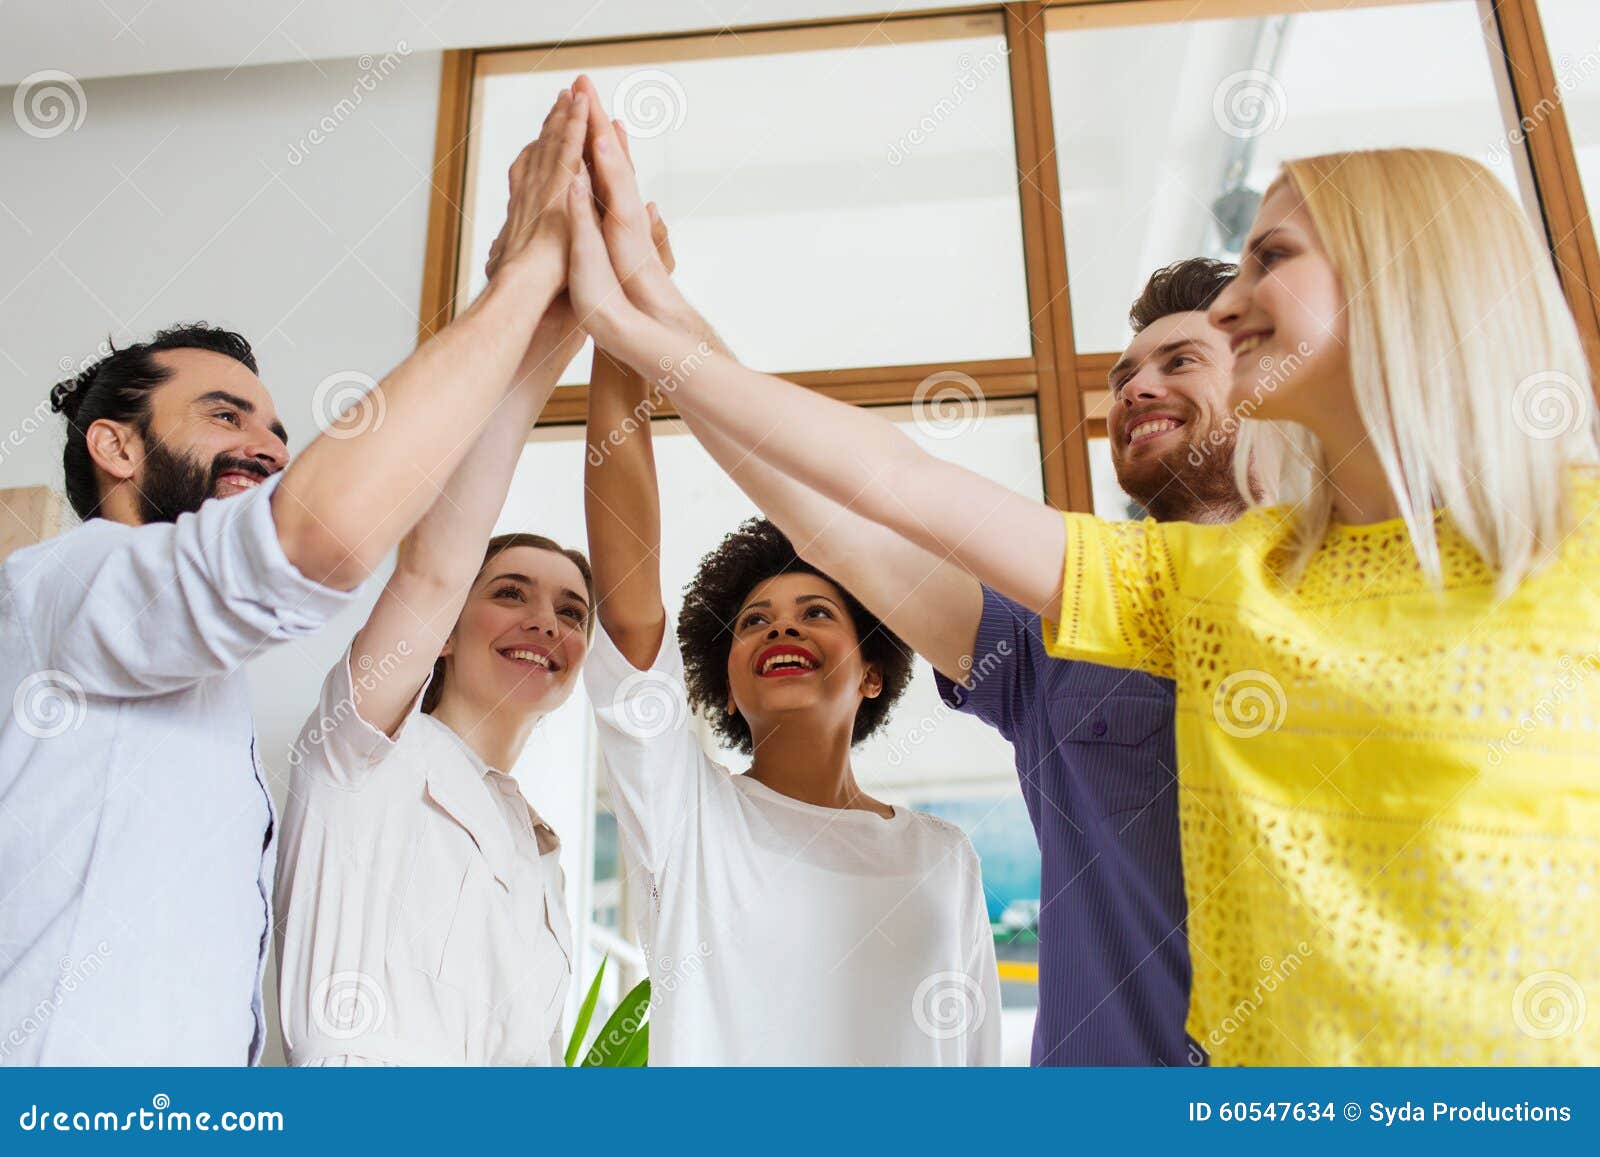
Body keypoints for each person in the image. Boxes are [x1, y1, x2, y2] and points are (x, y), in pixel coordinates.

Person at [564, 142, 1600, 1065]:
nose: (1141, 385)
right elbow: (873, 492)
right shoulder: (1144, 599)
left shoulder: (1566, 543)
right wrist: (642, 314)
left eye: (1185, 355)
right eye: (1122, 372)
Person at [0, 86, 592, 1065]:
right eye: (225, 414)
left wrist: (540, 347)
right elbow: (320, 539)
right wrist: (516, 284)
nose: (269, 446)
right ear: (115, 444)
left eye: (279, 430)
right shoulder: (65, 581)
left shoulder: (195, 684)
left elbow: (437, 567)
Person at [579, 195, 999, 1061]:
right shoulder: (691, 813)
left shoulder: (942, 856)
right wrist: (615, 329)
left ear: (873, 669)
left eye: (817, 613)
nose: (783, 629)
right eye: (755, 621)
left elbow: (977, 1064)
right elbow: (626, 601)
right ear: (725, 676)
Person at [275, 187, 598, 1065]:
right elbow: (431, 565)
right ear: (446, 631)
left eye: (573, 610)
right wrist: (547, 323)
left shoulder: (541, 859)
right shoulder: (367, 752)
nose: (546, 621)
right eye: (512, 592)